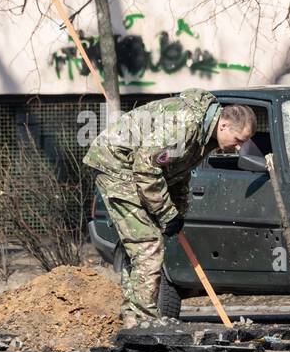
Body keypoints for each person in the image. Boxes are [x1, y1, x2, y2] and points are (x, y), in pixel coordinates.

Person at [83, 89, 256, 327]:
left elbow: (178, 173)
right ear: (224, 125)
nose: (239, 148)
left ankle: (133, 316)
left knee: (143, 242)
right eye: (239, 141)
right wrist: (166, 213)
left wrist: (178, 213)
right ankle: (142, 320)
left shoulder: (204, 136)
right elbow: (147, 168)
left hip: (134, 167)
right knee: (147, 244)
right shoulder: (185, 125)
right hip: (117, 164)